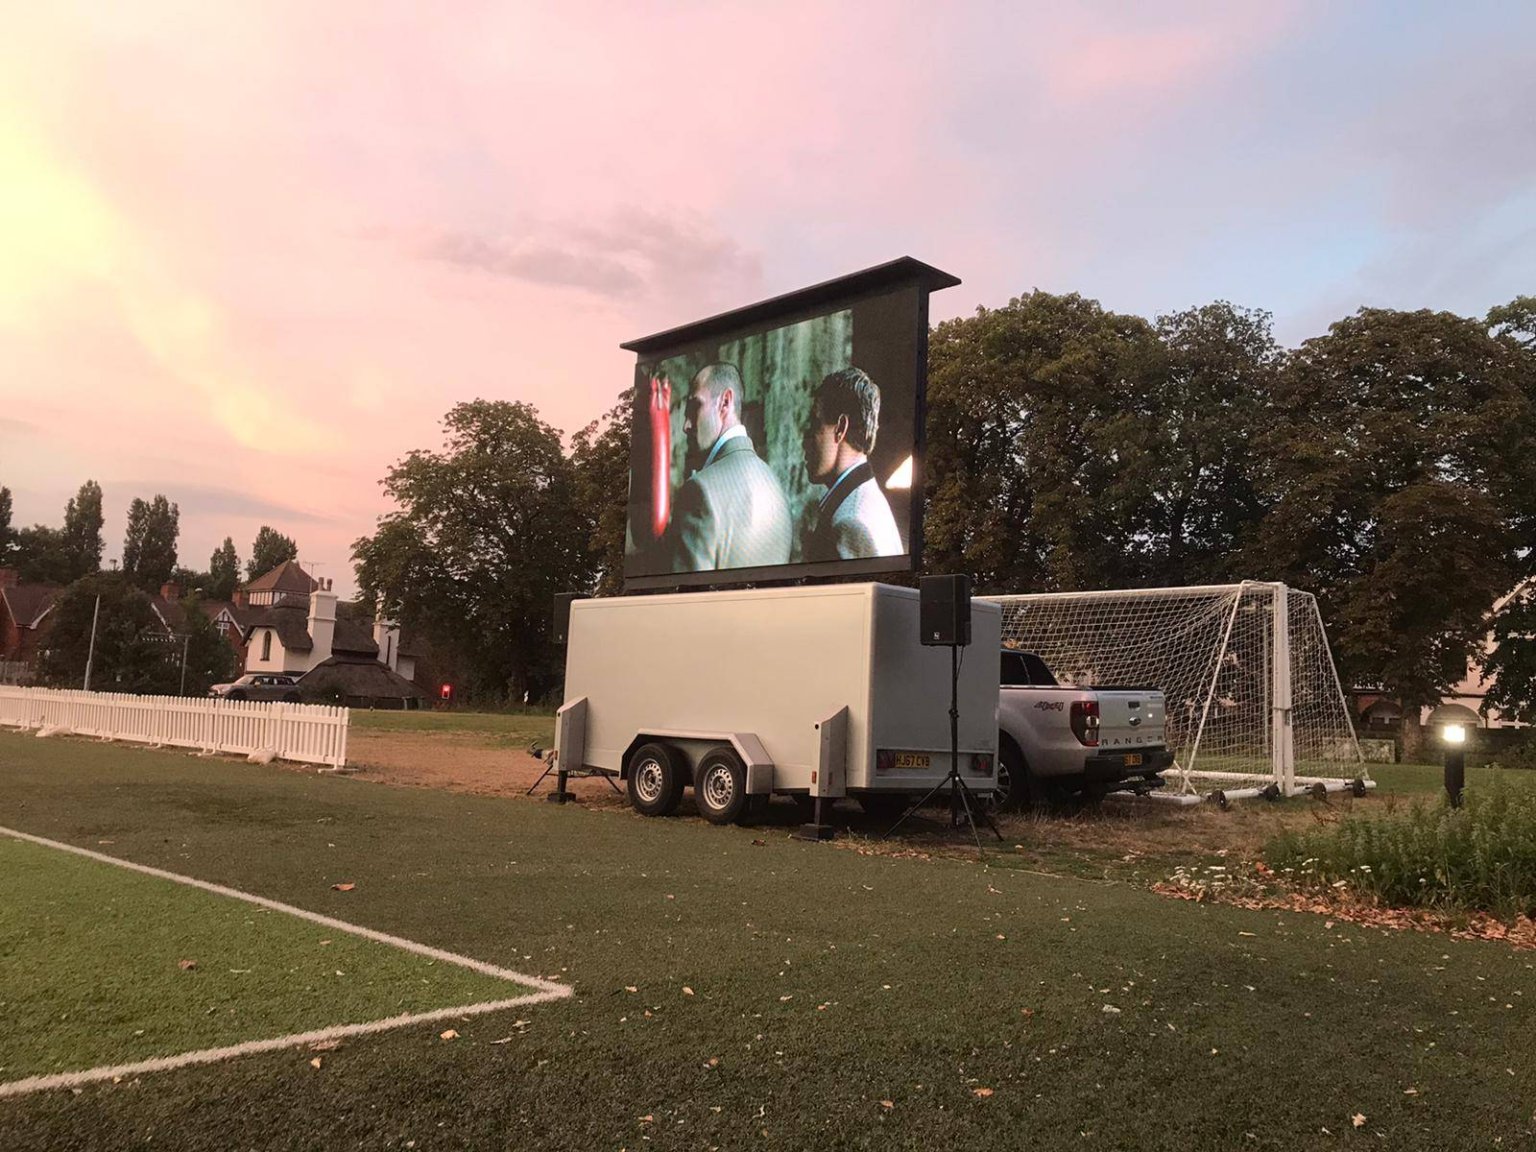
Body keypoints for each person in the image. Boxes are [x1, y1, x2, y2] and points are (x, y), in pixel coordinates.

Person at [667, 363, 792, 572]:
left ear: (725, 402)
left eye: (694, 407)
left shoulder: (698, 491)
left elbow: (688, 601)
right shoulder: (776, 487)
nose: (686, 425)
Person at [802, 366, 904, 561]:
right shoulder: (865, 501)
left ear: (840, 428)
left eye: (815, 425)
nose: (804, 440)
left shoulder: (850, 522)